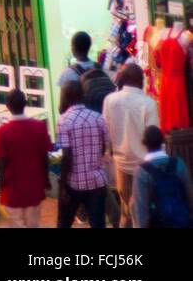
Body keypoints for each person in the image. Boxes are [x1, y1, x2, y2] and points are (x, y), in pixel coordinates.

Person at [103, 62, 160, 228]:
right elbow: (153, 138)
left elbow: (105, 132)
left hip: (120, 164)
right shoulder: (148, 103)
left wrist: (108, 157)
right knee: (139, 214)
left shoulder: (109, 100)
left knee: (127, 210)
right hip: (144, 167)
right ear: (140, 80)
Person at [0, 88, 52, 227]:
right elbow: (45, 158)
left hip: (11, 194)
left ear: (7, 107)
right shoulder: (40, 127)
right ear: (25, 104)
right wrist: (46, 181)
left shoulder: (1, 133)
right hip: (35, 191)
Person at [56, 79, 111, 228]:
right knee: (98, 223)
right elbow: (106, 145)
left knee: (64, 222)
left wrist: (62, 184)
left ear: (65, 97)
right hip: (97, 180)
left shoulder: (64, 120)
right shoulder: (98, 117)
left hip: (74, 181)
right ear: (83, 95)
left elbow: (67, 155)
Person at [132, 125, 193, 228]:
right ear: (163, 142)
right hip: (182, 222)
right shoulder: (179, 164)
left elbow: (141, 211)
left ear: (144, 144)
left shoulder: (141, 172)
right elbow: (190, 196)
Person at [154, 22, 191, 134]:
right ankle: (169, 132)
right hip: (166, 78)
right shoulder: (165, 32)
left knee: (176, 108)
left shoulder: (185, 36)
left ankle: (178, 134)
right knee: (170, 108)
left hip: (176, 79)